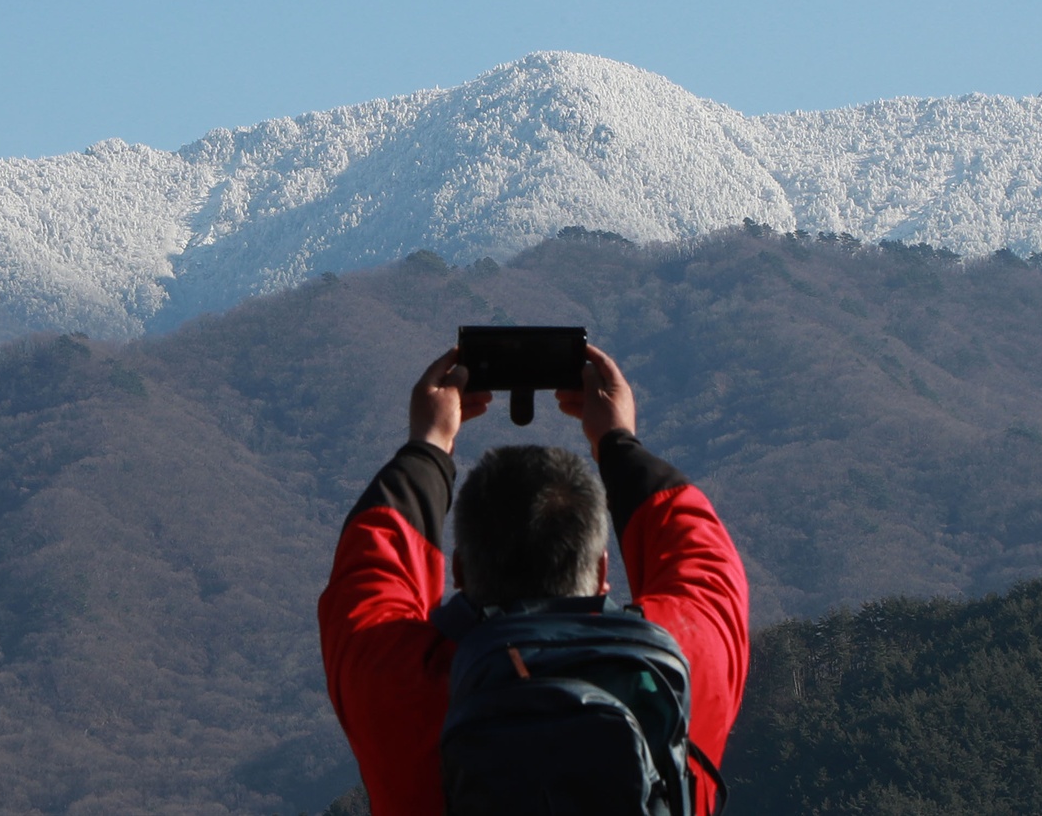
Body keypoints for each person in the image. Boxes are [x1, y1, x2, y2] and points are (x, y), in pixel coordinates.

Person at [319, 343, 749, 815]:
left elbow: (371, 565)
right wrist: (617, 441)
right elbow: (703, 555)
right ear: (603, 569)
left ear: (458, 571)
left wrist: (428, 447)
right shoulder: (676, 675)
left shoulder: (400, 688)